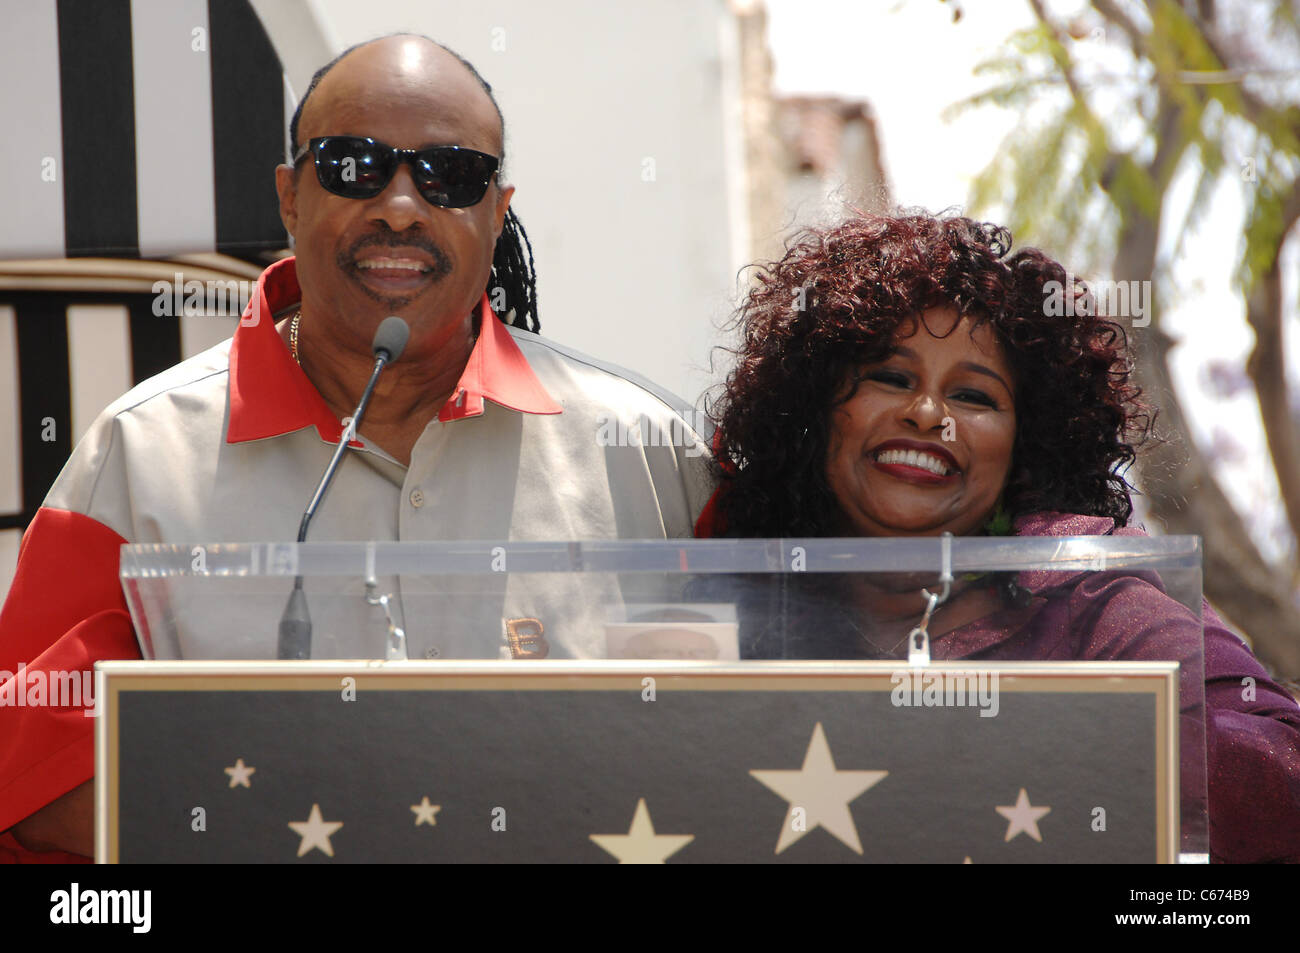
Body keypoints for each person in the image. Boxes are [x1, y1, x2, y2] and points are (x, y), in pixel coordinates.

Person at [0, 35, 711, 861]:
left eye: (451, 173)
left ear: (498, 209)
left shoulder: (650, 449)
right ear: (289, 197)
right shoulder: (138, 452)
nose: (402, 206)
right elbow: (34, 777)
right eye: (353, 165)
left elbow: (762, 728)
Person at [696, 210, 1300, 863]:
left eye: (974, 397)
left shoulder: (1089, 600)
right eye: (890, 378)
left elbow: (1277, 783)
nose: (928, 414)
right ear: (815, 411)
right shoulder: (734, 608)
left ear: (1024, 448)